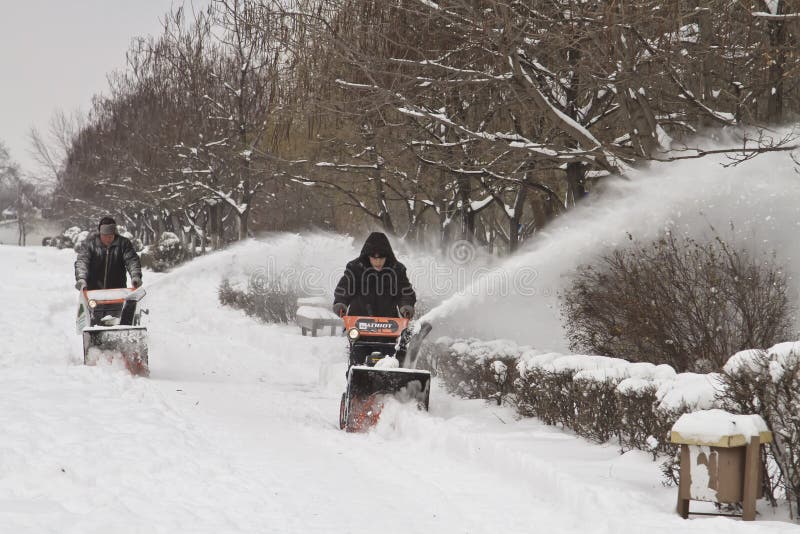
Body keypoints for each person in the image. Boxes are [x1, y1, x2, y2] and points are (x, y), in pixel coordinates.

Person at [333, 232, 416, 319]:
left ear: (387, 257)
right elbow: (345, 287)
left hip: (390, 324)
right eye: (374, 258)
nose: (378, 262)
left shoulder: (397, 269)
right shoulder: (355, 268)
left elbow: (405, 292)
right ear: (368, 256)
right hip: (357, 322)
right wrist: (341, 303)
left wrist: (406, 306)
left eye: (381, 258)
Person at [74, 216, 142, 291]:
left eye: (110, 236)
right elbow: (82, 261)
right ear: (100, 233)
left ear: (114, 233)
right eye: (104, 236)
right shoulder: (90, 244)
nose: (107, 239)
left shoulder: (123, 244)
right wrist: (81, 278)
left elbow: (132, 261)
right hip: (93, 291)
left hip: (117, 290)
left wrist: (135, 276)